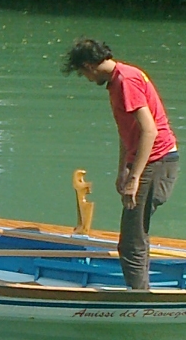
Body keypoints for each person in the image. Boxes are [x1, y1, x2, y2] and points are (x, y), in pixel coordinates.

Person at [62, 37, 178, 290]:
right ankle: (140, 289)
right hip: (147, 160)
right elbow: (127, 130)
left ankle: (138, 299)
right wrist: (123, 168)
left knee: (131, 240)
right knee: (136, 230)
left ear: (89, 66)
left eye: (83, 74)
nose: (88, 79)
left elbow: (149, 131)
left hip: (156, 160)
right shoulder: (118, 81)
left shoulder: (126, 82)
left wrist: (135, 178)